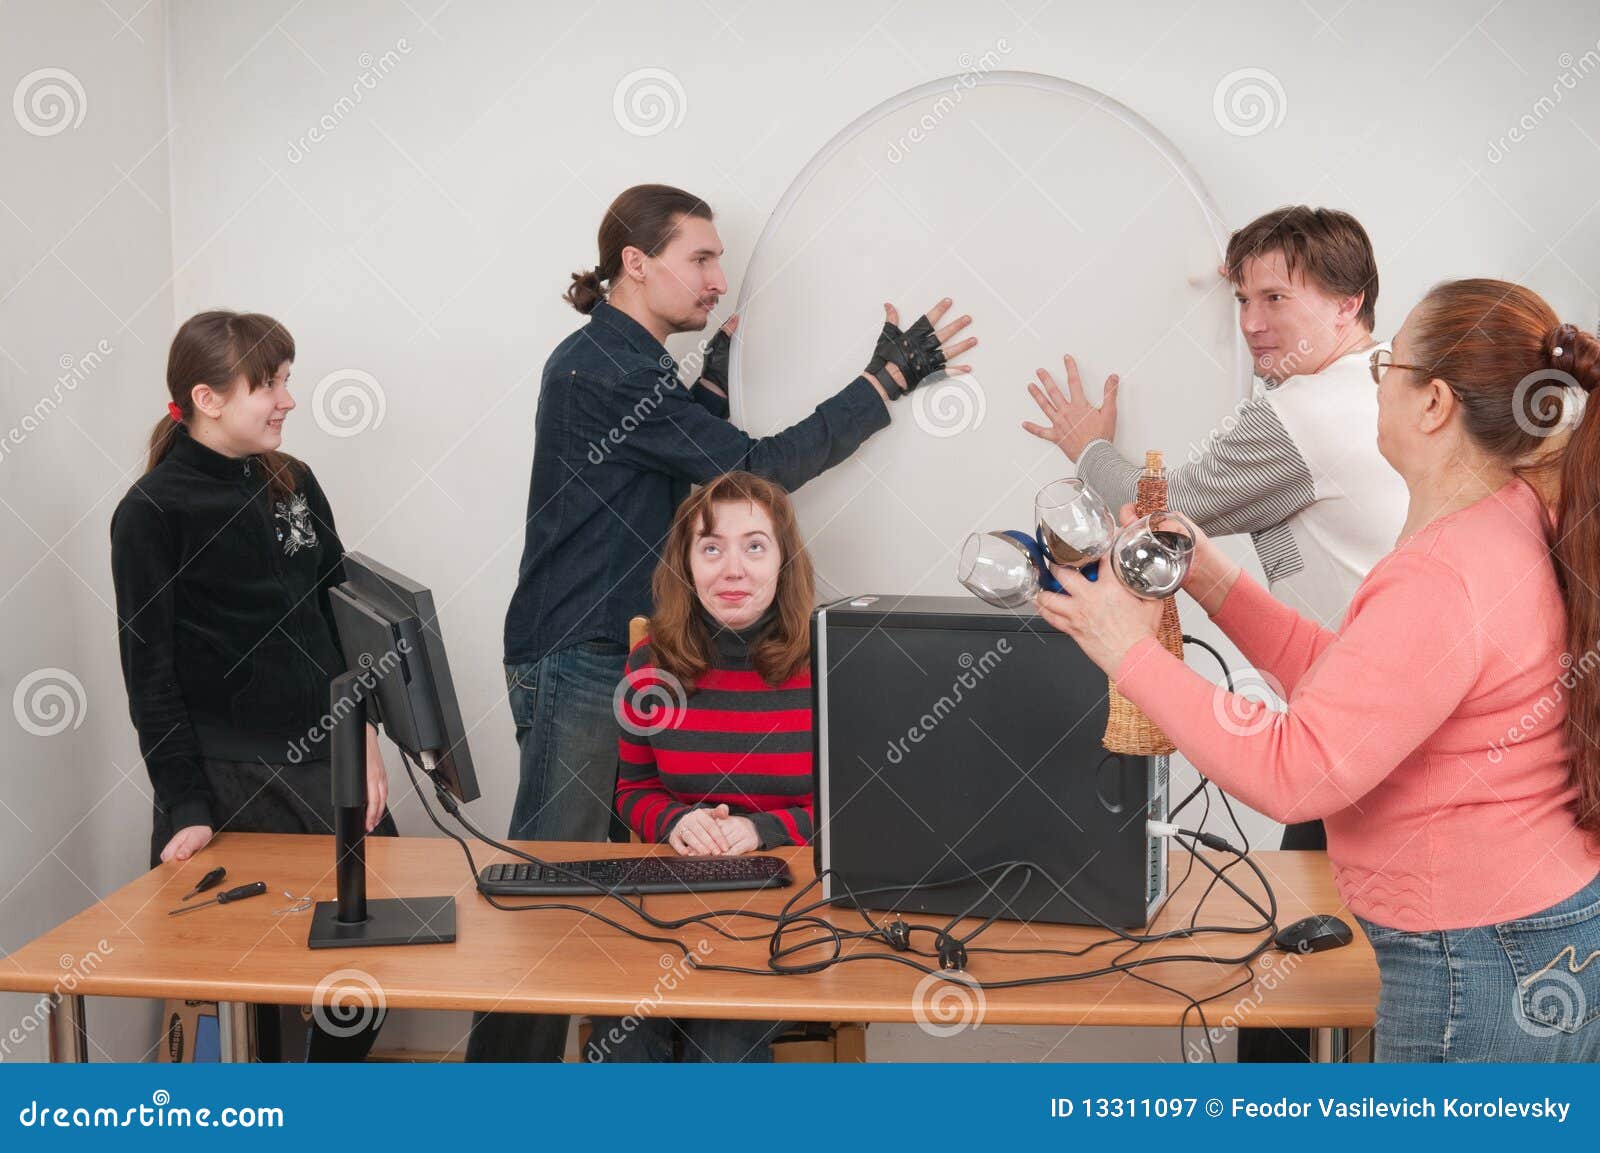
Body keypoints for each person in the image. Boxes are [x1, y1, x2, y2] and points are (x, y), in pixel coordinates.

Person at [1035, 279, 1600, 1061]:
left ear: (1432, 403)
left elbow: (1294, 770)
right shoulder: (1508, 526)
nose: (1377, 387)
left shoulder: (1443, 572)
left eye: (1386, 369)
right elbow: (1356, 689)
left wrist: (1122, 647)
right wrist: (1214, 580)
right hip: (1536, 926)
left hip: (1477, 956)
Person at [473, 183, 975, 1061]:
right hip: (583, 654)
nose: (717, 278)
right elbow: (753, 468)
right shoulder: (609, 369)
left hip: (596, 647)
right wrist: (883, 380)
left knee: (585, 901)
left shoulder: (625, 365)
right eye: (701, 258)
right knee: (548, 903)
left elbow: (657, 467)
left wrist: (704, 387)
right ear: (637, 264)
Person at [111, 310, 397, 1062]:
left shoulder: (293, 481)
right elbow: (150, 672)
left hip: (331, 763)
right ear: (206, 398)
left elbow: (345, 622)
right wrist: (186, 804)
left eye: (285, 380)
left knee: (372, 967)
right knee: (254, 978)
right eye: (268, 384)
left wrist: (366, 739)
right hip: (232, 782)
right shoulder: (150, 512)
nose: (287, 400)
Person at [587, 471, 815, 1062]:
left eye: (754, 546)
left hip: (787, 910)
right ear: (685, 565)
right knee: (624, 1042)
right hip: (672, 905)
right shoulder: (651, 659)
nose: (732, 570)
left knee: (718, 1042)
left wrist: (759, 831)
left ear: (784, 561)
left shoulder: (830, 658)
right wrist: (674, 822)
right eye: (710, 548)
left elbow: (859, 801)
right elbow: (634, 789)